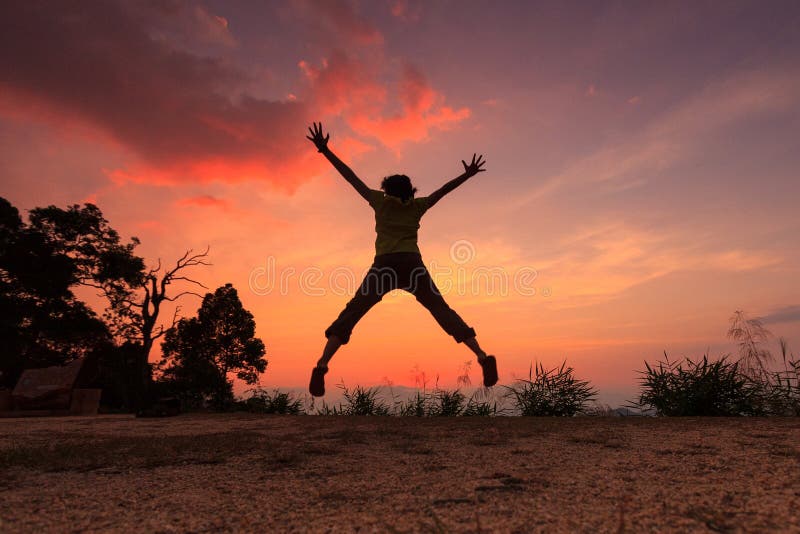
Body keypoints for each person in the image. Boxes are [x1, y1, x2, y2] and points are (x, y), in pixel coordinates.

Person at [306, 122, 497, 397]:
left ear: (387, 190)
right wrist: (466, 175)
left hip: (384, 265)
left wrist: (326, 150)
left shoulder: (379, 201)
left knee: (353, 311)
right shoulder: (418, 206)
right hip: (412, 265)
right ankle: (480, 355)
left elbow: (350, 177)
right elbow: (443, 190)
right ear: (410, 191)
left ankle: (323, 364)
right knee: (441, 309)